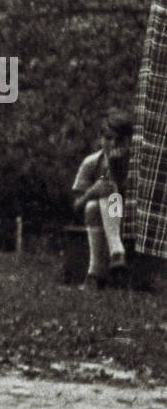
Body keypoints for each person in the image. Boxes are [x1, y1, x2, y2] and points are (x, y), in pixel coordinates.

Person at [72, 108, 134, 289]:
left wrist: (116, 172)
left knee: (110, 190)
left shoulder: (136, 163)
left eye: (119, 139)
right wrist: (93, 191)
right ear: (100, 138)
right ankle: (114, 256)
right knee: (93, 205)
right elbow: (76, 206)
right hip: (101, 217)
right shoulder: (91, 162)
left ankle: (97, 272)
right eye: (108, 138)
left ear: (128, 141)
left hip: (131, 218)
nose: (113, 144)